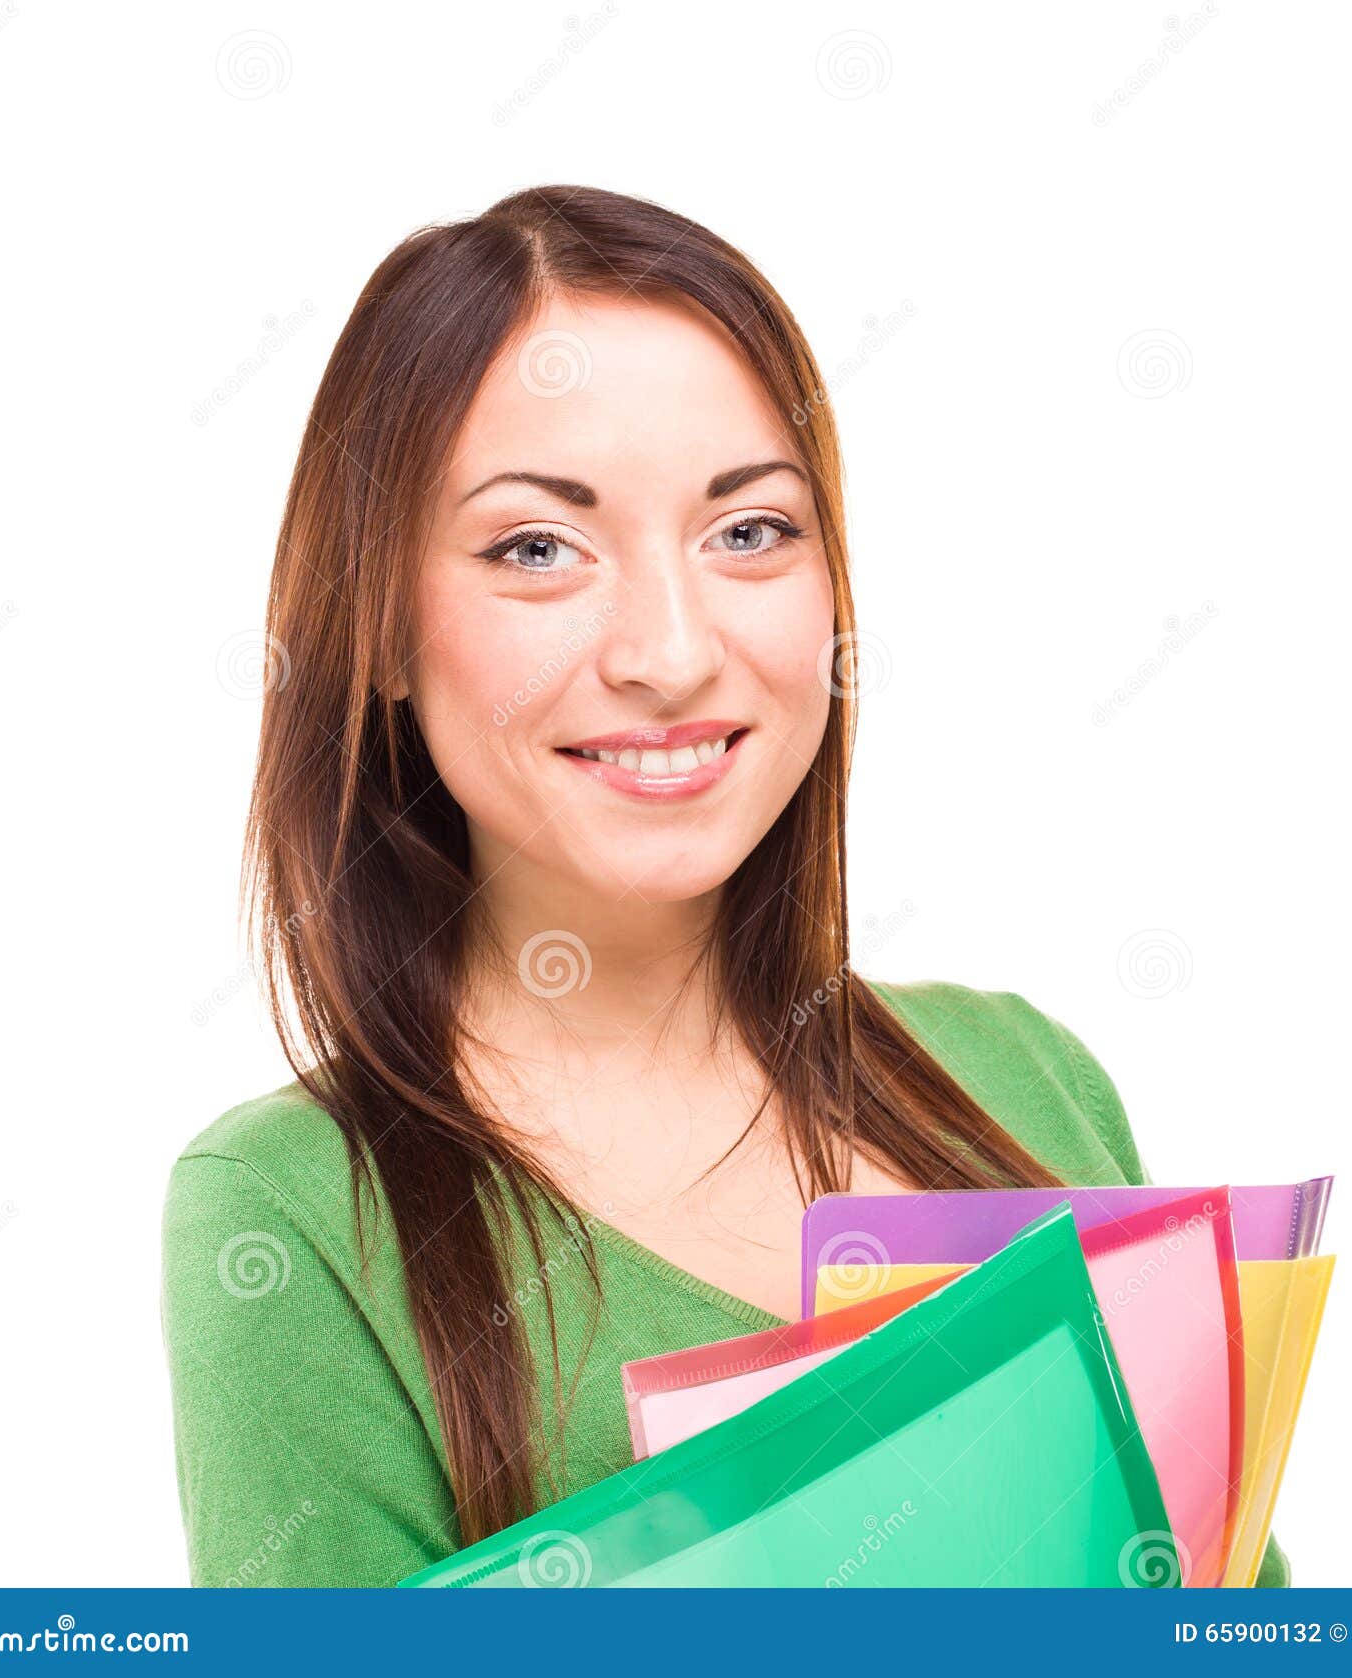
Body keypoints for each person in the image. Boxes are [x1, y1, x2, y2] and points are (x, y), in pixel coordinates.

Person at [160, 184, 1287, 1589]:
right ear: (379, 626)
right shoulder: (292, 1215)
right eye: (537, 547)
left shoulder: (1029, 1079)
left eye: (748, 530)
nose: (673, 651)